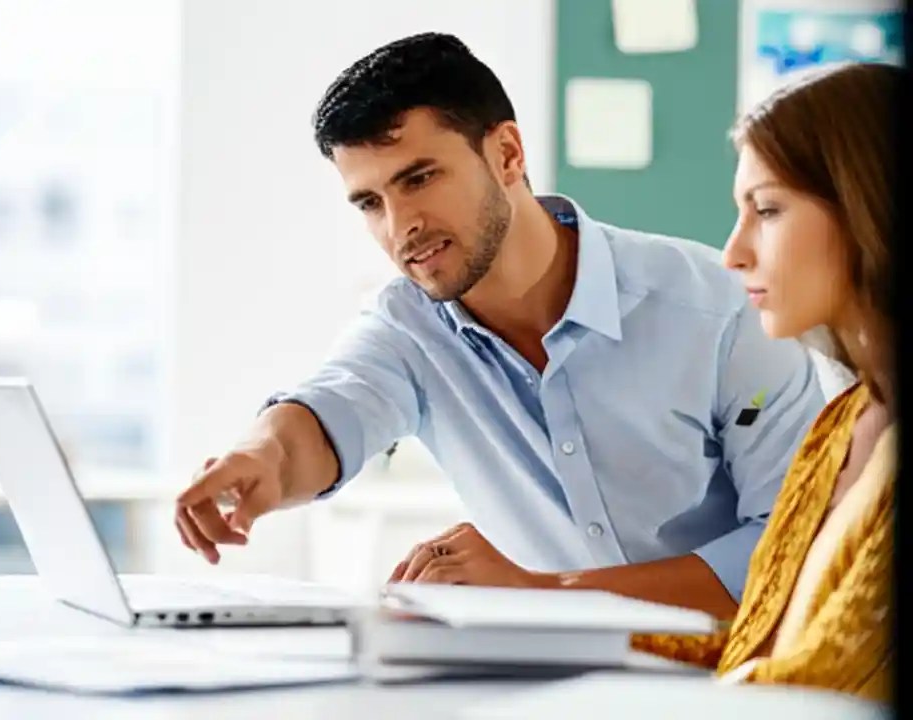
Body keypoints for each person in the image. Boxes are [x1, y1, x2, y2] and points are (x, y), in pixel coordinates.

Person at [173, 32, 824, 618]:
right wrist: (260, 458)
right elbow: (331, 406)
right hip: (551, 685)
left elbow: (793, 552)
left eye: (420, 178)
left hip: (738, 678)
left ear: (507, 154)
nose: (400, 228)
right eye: (370, 202)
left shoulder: (722, 311)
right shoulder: (407, 328)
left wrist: (544, 593)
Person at [632, 61, 897, 701]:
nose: (733, 254)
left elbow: (818, 686)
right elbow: (759, 638)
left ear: (867, 204)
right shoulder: (844, 421)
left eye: (768, 210)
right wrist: (559, 637)